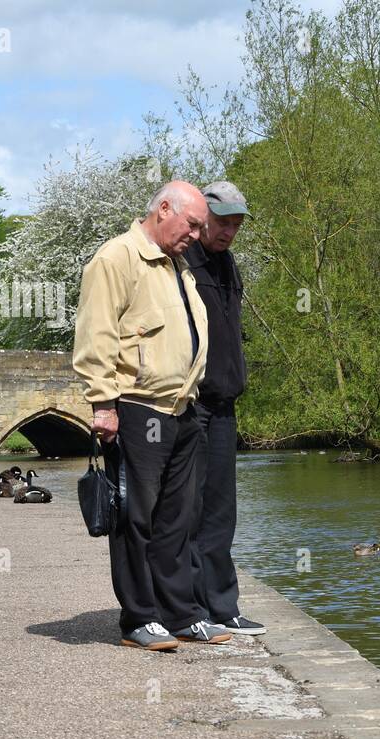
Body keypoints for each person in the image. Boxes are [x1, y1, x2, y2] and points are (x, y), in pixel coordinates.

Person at [72, 180, 233, 651]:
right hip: (138, 407)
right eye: (193, 224)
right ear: (164, 209)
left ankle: (182, 613)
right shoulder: (116, 258)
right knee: (135, 520)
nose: (199, 234)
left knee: (179, 520)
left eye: (203, 227)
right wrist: (103, 402)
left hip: (182, 408)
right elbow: (96, 334)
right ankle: (139, 619)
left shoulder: (176, 264)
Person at [182, 181, 265, 637]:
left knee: (221, 511)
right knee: (188, 510)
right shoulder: (182, 262)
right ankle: (190, 608)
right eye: (223, 222)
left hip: (225, 405)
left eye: (237, 224)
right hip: (191, 403)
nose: (230, 231)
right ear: (202, 217)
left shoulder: (228, 263)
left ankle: (223, 605)